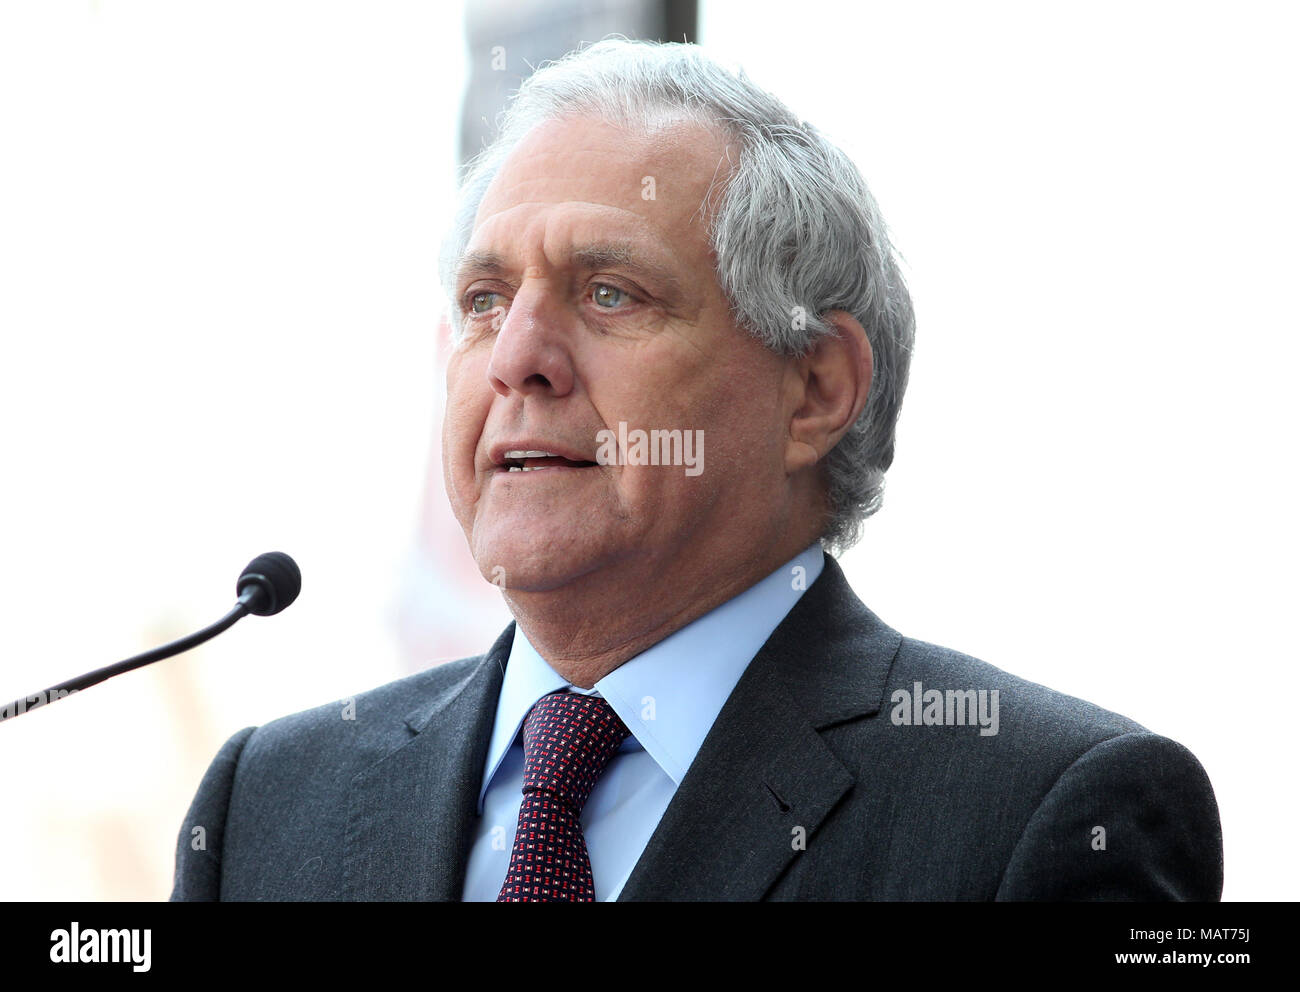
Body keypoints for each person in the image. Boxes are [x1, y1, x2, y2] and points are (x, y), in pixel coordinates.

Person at [171, 39, 1222, 902]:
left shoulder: (1043, 812)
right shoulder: (267, 804)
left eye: (611, 293)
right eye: (485, 300)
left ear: (813, 388)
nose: (514, 358)